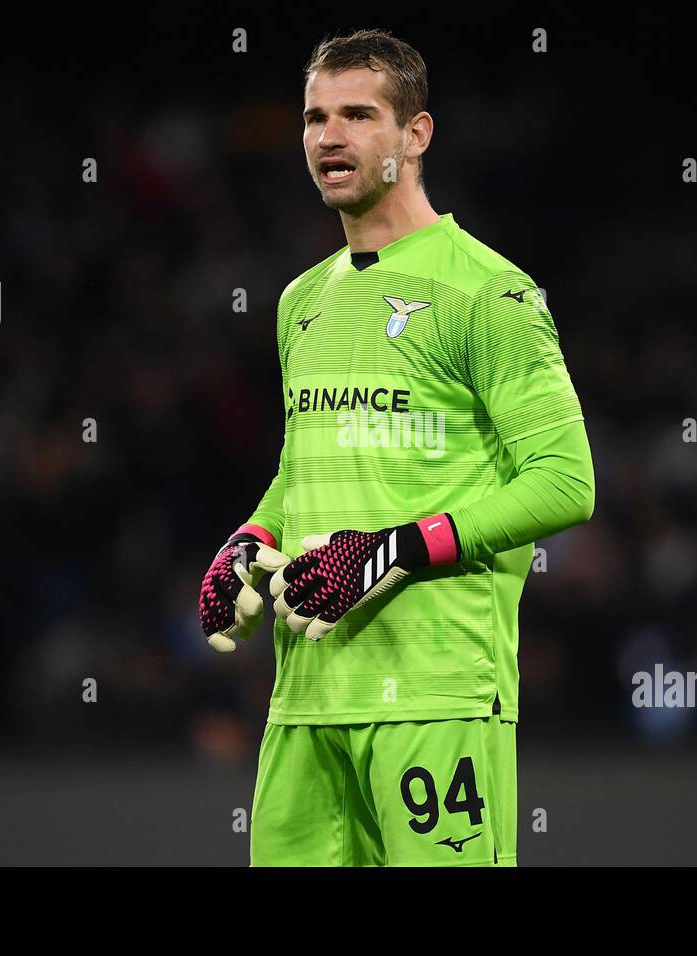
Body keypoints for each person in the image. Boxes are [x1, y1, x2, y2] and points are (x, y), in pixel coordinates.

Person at [198, 28, 594, 866]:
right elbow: (305, 466)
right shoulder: (300, 300)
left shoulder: (489, 291)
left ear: (416, 135)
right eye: (314, 117)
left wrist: (399, 550)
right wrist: (252, 539)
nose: (328, 136)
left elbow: (566, 482)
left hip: (436, 692)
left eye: (358, 114)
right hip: (305, 698)